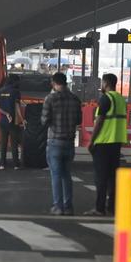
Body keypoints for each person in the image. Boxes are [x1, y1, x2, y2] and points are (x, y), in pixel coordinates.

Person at [84, 74, 128, 217]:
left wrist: (91, 140)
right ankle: (112, 208)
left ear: (106, 83)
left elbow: (100, 121)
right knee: (112, 177)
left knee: (101, 178)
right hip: (116, 142)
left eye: (102, 82)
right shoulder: (121, 99)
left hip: (103, 142)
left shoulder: (106, 98)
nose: (101, 85)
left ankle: (99, 208)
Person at [41, 72, 82, 215]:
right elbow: (79, 120)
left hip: (55, 142)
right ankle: (68, 206)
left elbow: (44, 121)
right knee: (66, 175)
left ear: (53, 83)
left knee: (56, 175)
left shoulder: (50, 99)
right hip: (69, 142)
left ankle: (58, 206)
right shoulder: (75, 99)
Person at [0, 75, 23, 170]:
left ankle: (2, 164)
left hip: (3, 121)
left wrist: (6, 113)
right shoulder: (16, 92)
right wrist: (22, 119)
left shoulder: (0, 91)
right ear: (15, 81)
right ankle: (16, 164)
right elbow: (17, 107)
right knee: (14, 143)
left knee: (3, 143)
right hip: (13, 121)